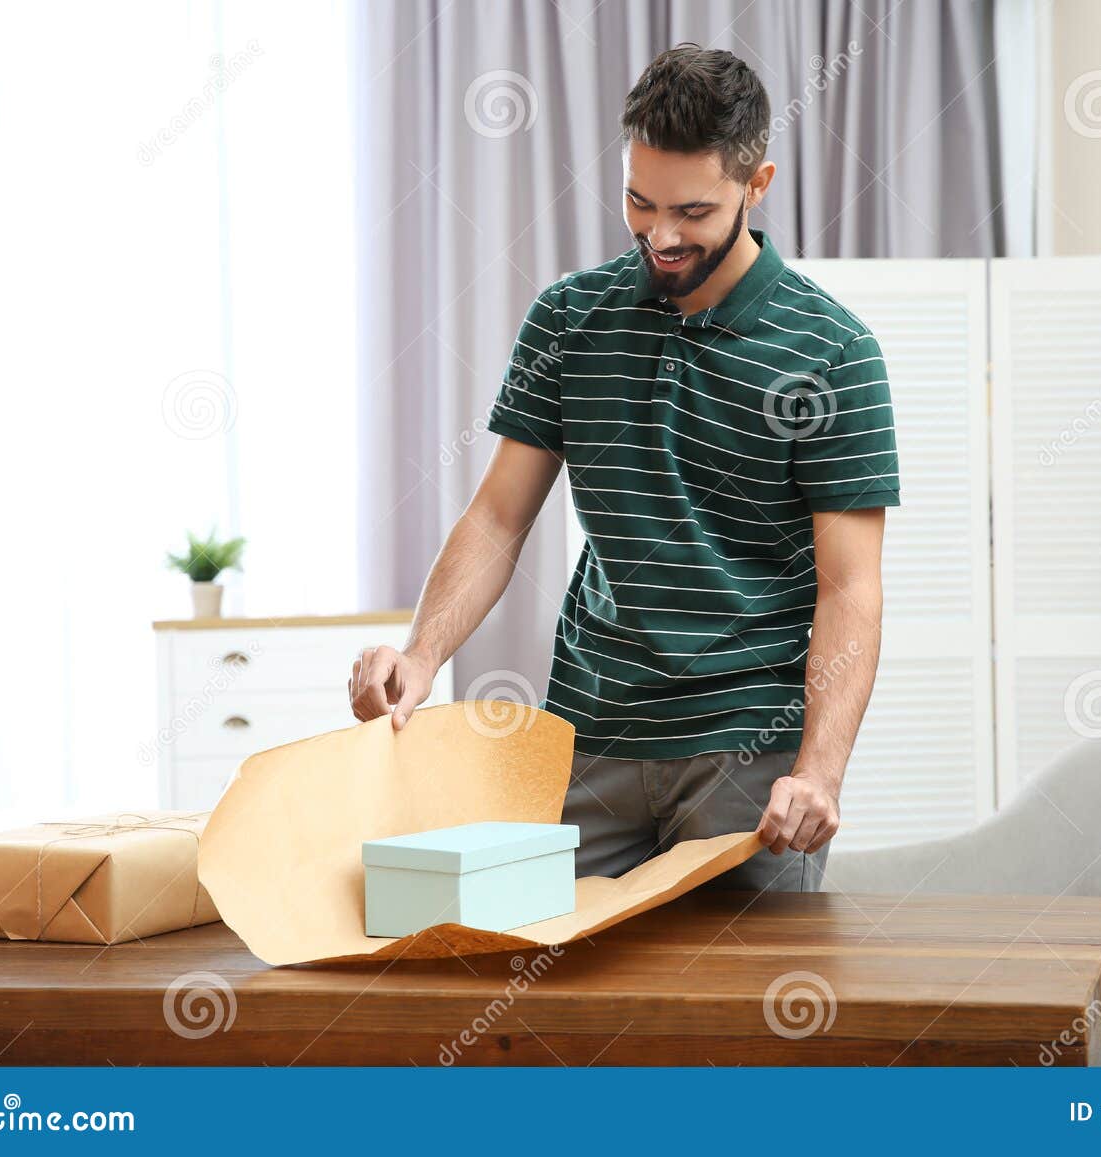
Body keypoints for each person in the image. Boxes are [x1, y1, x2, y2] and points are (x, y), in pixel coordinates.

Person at [351, 44, 899, 893]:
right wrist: (422, 655)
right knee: (532, 963)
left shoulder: (833, 352)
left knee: (735, 984)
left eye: (693, 210)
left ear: (756, 185)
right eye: (639, 202)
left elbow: (850, 588)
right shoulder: (569, 319)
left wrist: (819, 771)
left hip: (747, 755)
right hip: (587, 736)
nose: (662, 236)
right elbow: (498, 517)